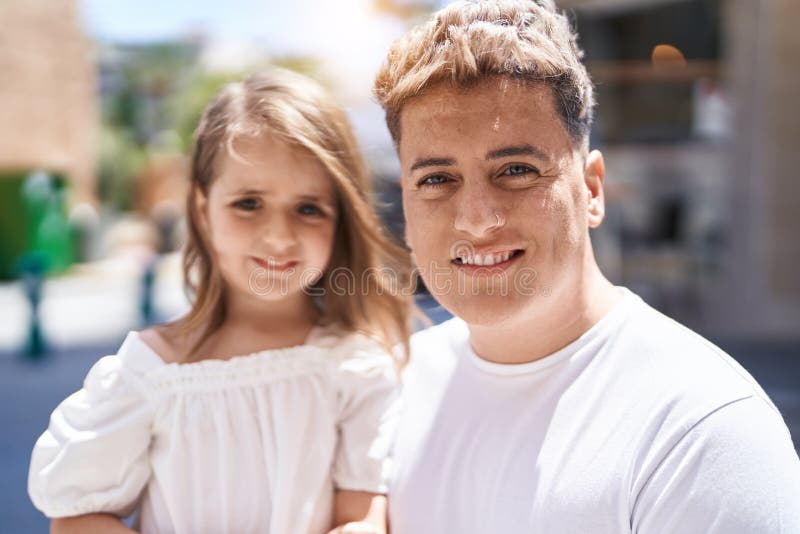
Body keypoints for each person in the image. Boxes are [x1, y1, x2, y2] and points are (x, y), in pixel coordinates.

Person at [373, 1, 800, 532]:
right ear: (407, 208)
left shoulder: (701, 430)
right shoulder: (388, 387)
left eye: (516, 169)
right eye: (437, 179)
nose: (477, 220)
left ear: (592, 189)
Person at [28, 68, 415, 534]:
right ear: (201, 209)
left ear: (340, 220)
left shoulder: (354, 367)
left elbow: (363, 517)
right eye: (249, 203)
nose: (279, 236)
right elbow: (76, 518)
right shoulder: (150, 371)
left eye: (308, 208)